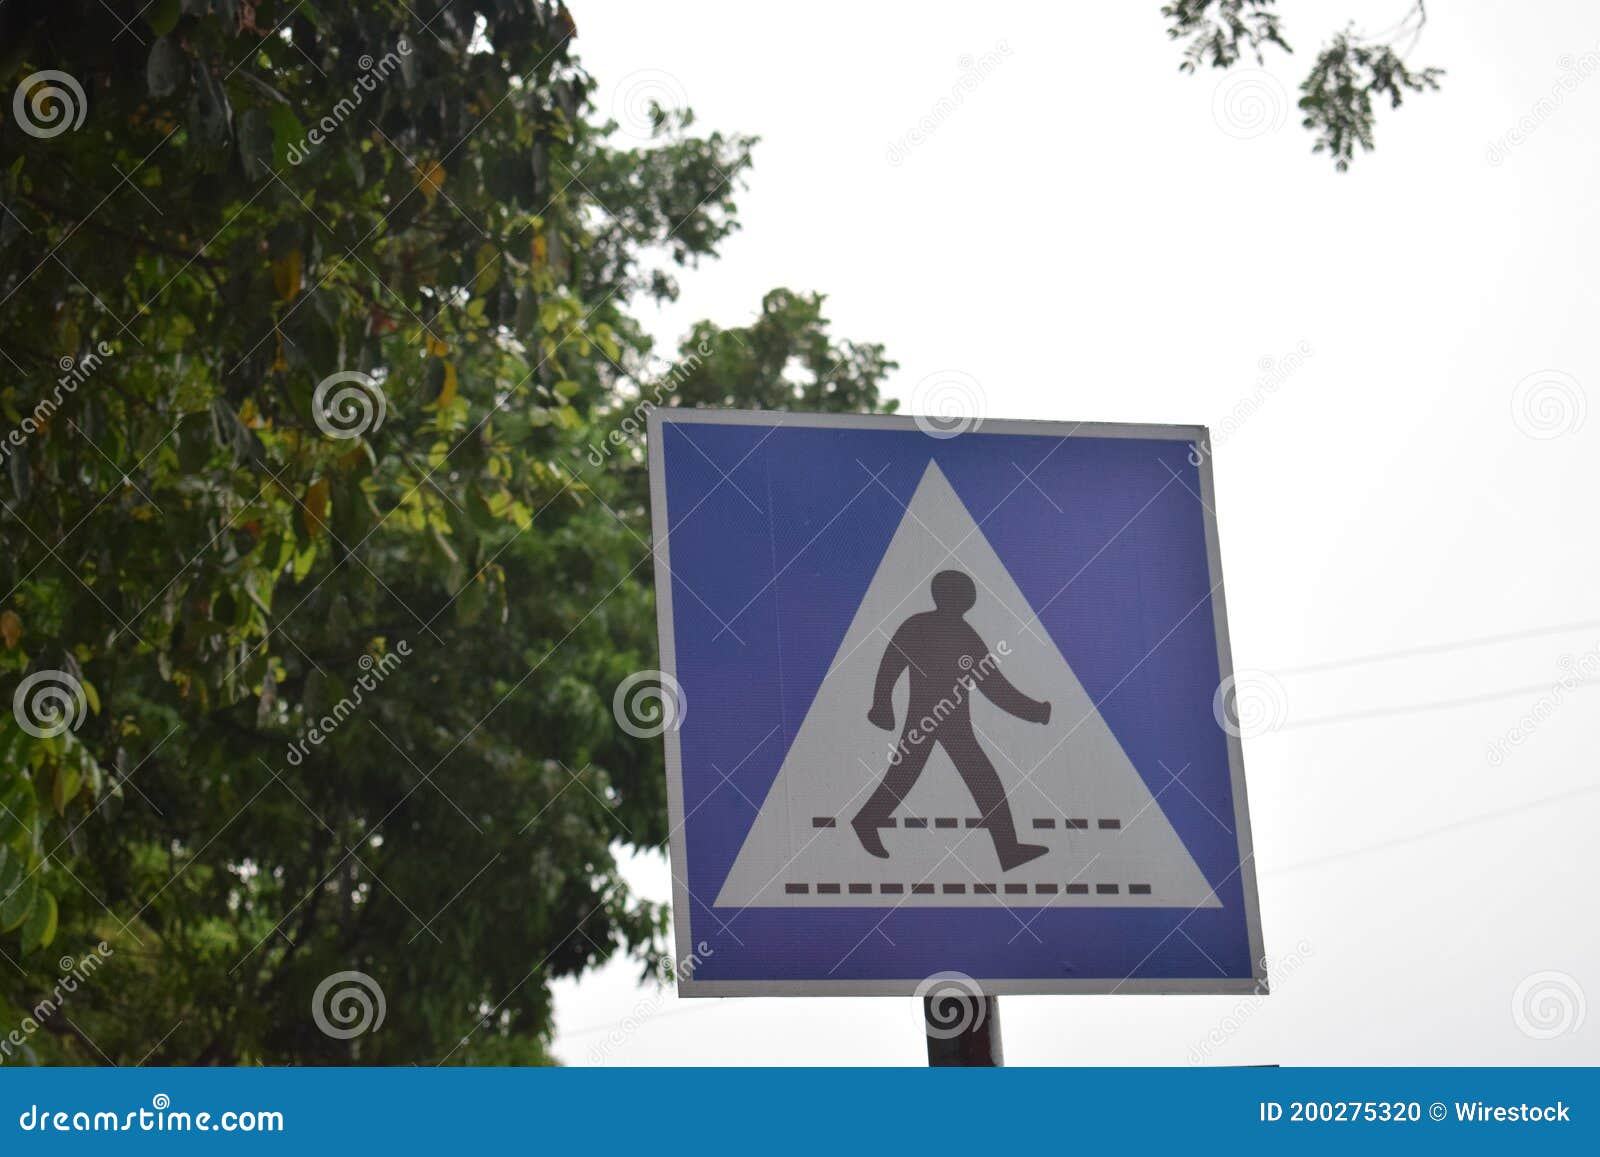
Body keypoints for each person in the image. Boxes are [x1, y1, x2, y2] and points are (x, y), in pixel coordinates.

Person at [852, 569, 1052, 872]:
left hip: (953, 722)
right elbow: (891, 664)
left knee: (973, 778)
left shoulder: (964, 635)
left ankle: (1008, 849)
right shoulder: (919, 626)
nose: (968, 598)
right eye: (964, 593)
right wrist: (881, 706)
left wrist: (1034, 711)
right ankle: (866, 821)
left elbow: (993, 686)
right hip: (927, 719)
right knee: (911, 776)